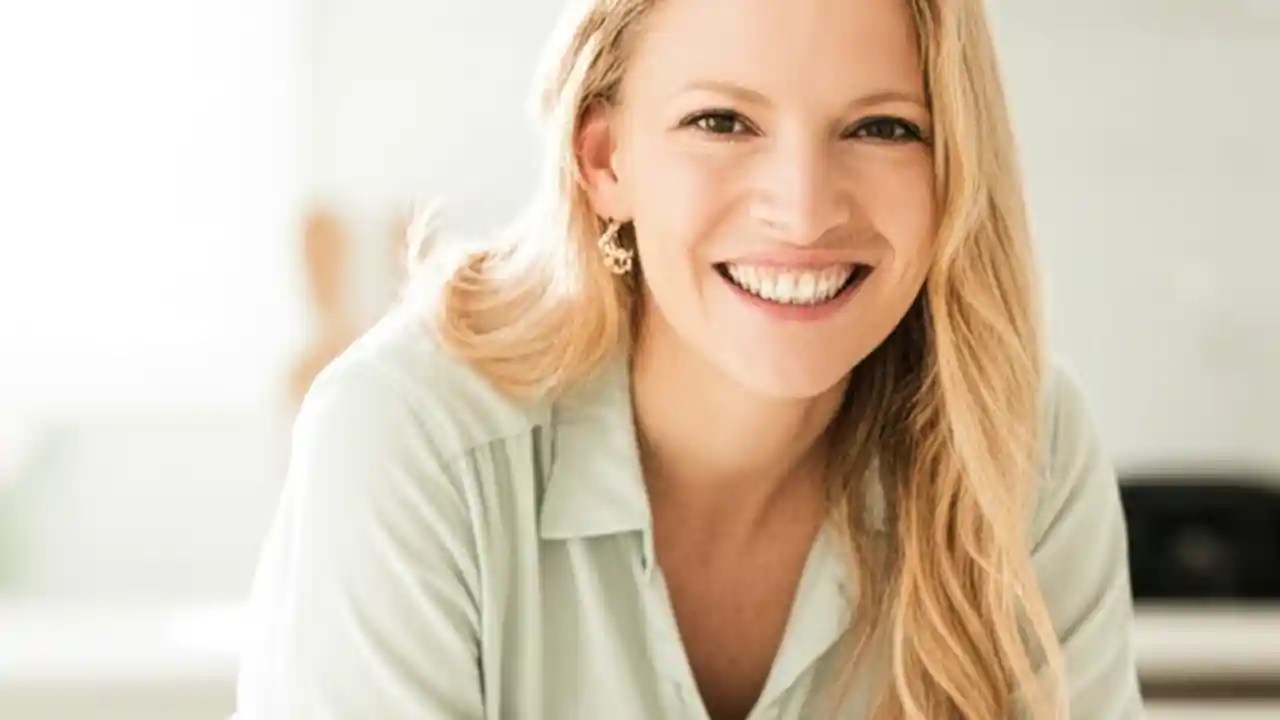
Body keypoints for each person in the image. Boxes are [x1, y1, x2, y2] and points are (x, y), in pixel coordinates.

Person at [235, 0, 1144, 717]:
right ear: (604, 161)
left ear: (955, 167)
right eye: (722, 121)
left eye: (882, 128)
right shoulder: (408, 439)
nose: (803, 210)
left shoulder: (1019, 441)